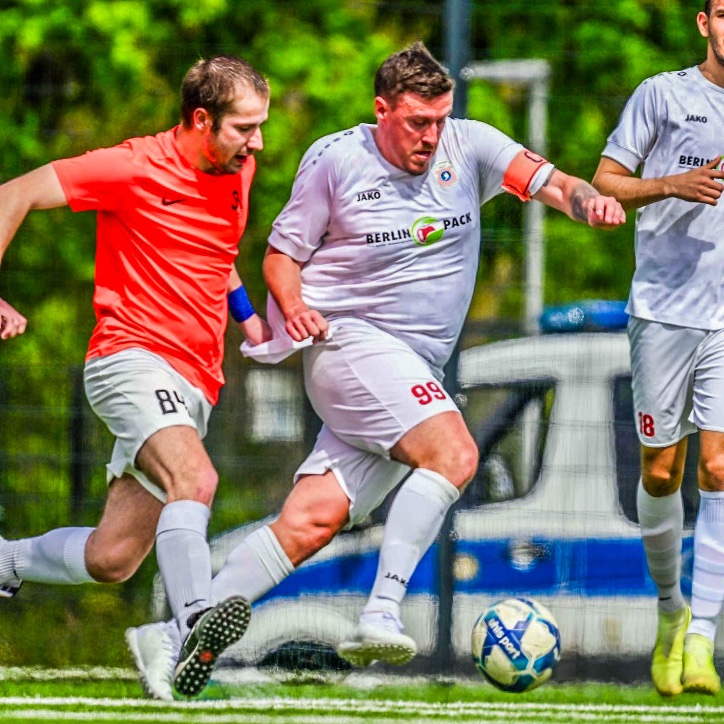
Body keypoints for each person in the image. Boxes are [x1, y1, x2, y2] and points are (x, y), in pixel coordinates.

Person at [128, 41, 624, 699]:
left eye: (440, 120)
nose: (431, 137)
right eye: (417, 122)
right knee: (454, 453)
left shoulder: (470, 145)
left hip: (408, 370)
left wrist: (589, 203)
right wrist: (294, 307)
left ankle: (168, 638)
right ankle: (382, 611)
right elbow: (280, 257)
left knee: (311, 521)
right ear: (381, 110)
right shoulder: (336, 160)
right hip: (348, 347)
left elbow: (555, 183)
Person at [0, 54, 272, 699]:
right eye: (244, 127)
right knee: (195, 478)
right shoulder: (132, 166)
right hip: (129, 357)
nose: (257, 142)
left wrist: (248, 317)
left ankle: (7, 560)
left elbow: (217, 254)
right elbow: (15, 192)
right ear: (201, 120)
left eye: (260, 126)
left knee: (113, 557)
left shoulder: (239, 169)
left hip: (196, 381)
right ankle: (190, 625)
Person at [591, 0, 724, 698]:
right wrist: (673, 183)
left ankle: (705, 637)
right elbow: (606, 181)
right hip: (664, 311)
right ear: (704, 22)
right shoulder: (663, 95)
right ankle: (672, 611)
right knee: (662, 471)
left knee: (720, 467)